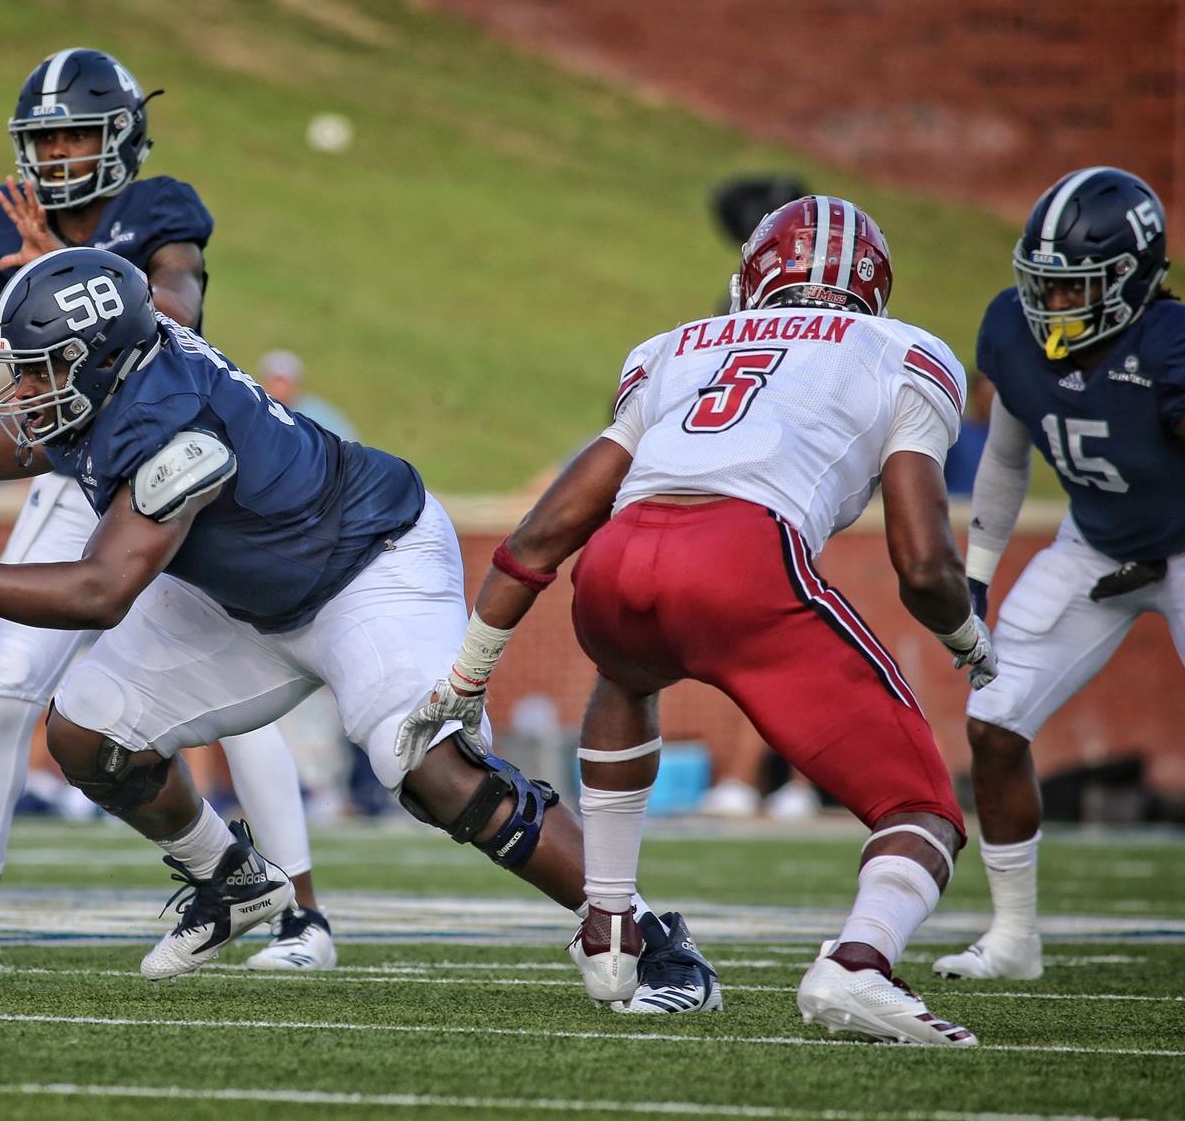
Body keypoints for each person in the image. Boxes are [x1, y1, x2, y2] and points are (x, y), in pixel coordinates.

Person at [0, 246, 713, 995]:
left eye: (40, 367)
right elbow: (48, 422)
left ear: (96, 360)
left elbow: (101, 590)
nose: (21, 389)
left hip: (367, 567)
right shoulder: (124, 362)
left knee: (426, 765)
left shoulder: (173, 428)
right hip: (249, 586)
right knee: (89, 731)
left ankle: (640, 929)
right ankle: (230, 880)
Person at [410, 196, 994, 1041]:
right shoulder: (903, 351)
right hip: (741, 558)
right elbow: (924, 562)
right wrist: (965, 638)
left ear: (753, 276)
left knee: (626, 673)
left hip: (615, 564)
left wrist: (466, 675)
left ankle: (609, 928)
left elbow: (547, 529)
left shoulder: (674, 346)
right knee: (921, 809)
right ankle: (858, 963)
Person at [0, 48, 332, 970]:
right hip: (67, 460)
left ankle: (300, 916)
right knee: (6, 689)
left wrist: (74, 271)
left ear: (122, 136)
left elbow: (180, 315)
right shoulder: (1, 216)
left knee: (244, 701)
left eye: (77, 132)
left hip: (166, 460)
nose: (62, 152)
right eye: (47, 137)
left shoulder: (161, 211)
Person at [935, 167, 1184, 982]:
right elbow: (1005, 460)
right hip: (1095, 546)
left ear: (1130, 278)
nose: (1052, 307)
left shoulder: (1168, 343)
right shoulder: (1011, 331)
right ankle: (1013, 939)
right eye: (1043, 287)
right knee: (991, 723)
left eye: (1074, 289)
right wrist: (974, 577)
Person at [259, 349, 358, 440]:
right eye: (274, 382)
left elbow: (345, 444)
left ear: (297, 385)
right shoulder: (258, 412)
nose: (280, 389)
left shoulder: (317, 414)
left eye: (284, 382)